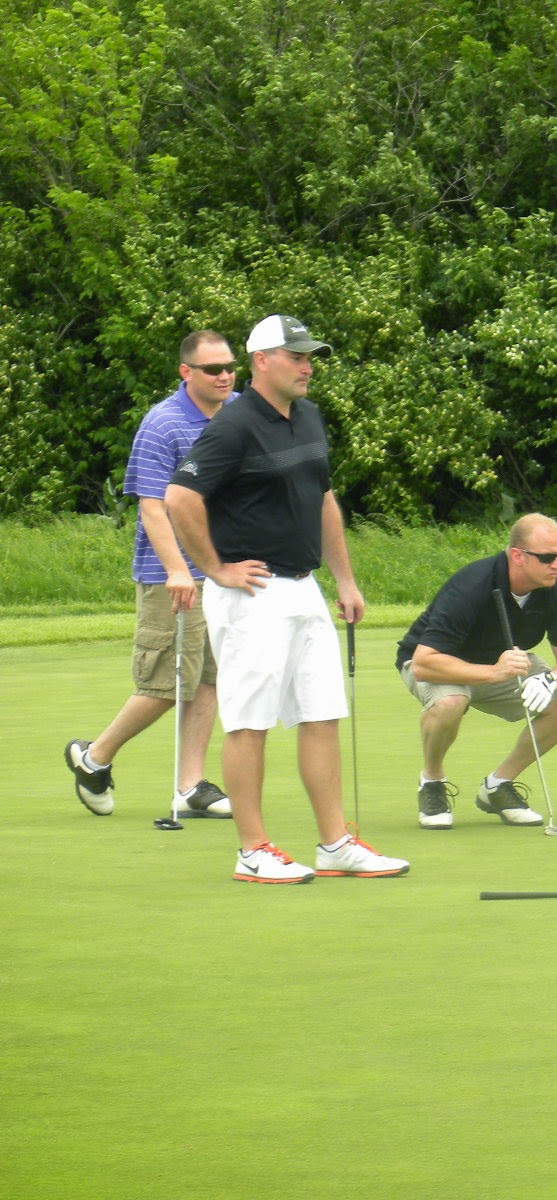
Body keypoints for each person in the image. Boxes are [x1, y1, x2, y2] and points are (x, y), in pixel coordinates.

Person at [165, 314, 408, 884]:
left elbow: (322, 498)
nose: (307, 365)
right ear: (262, 361)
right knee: (249, 722)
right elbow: (180, 497)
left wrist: (344, 580)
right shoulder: (235, 425)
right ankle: (252, 849)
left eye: (310, 355)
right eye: (295, 356)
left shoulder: (308, 416)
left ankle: (335, 844)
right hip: (252, 594)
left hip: (305, 589)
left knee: (321, 714)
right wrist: (214, 569)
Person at [65, 331, 237, 821]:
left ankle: (190, 786)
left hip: (222, 570)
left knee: (209, 680)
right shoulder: (163, 423)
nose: (224, 375)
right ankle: (93, 757)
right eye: (211, 369)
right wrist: (178, 569)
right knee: (166, 685)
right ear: (187, 372)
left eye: (229, 367)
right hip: (172, 576)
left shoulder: (242, 413)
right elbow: (151, 506)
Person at [395, 513, 557, 829]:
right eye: (548, 557)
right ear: (517, 556)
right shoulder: (473, 584)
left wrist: (552, 679)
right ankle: (432, 781)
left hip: (502, 665)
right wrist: (494, 674)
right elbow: (423, 663)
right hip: (440, 664)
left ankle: (498, 786)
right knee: (451, 702)